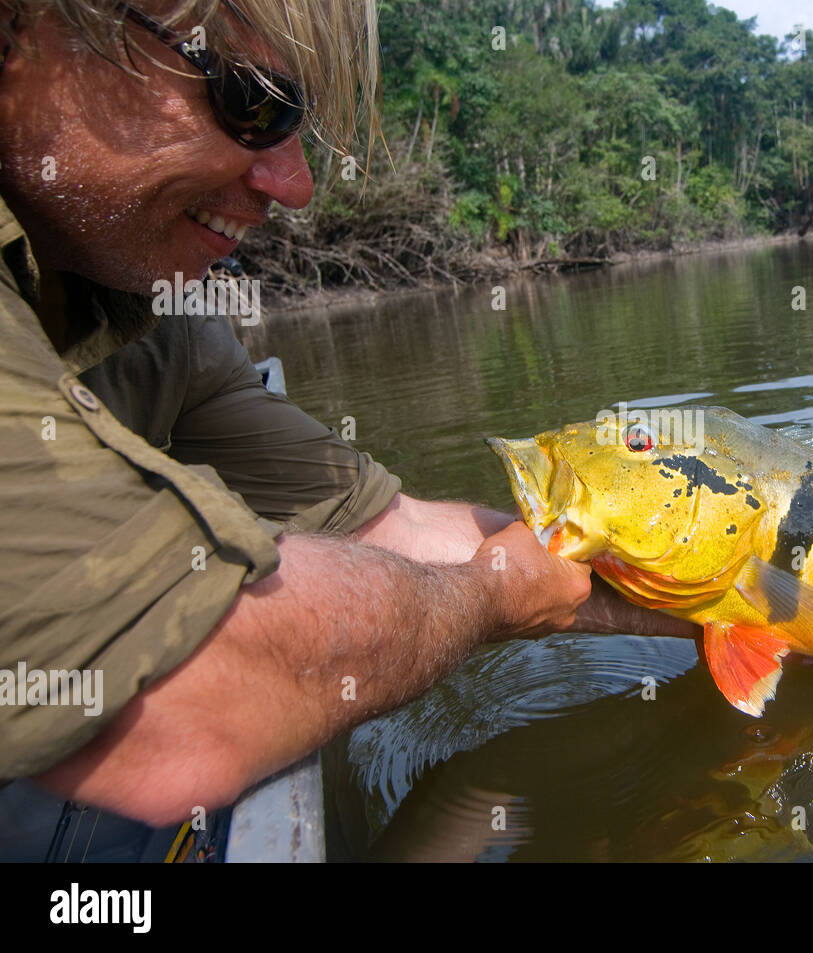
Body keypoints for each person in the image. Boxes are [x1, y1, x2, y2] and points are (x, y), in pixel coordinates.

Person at [0, 0, 696, 827]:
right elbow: (183, 708)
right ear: (30, 25)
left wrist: (736, 610)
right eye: (253, 101)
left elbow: (389, 525)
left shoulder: (157, 317)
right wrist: (488, 596)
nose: (292, 186)